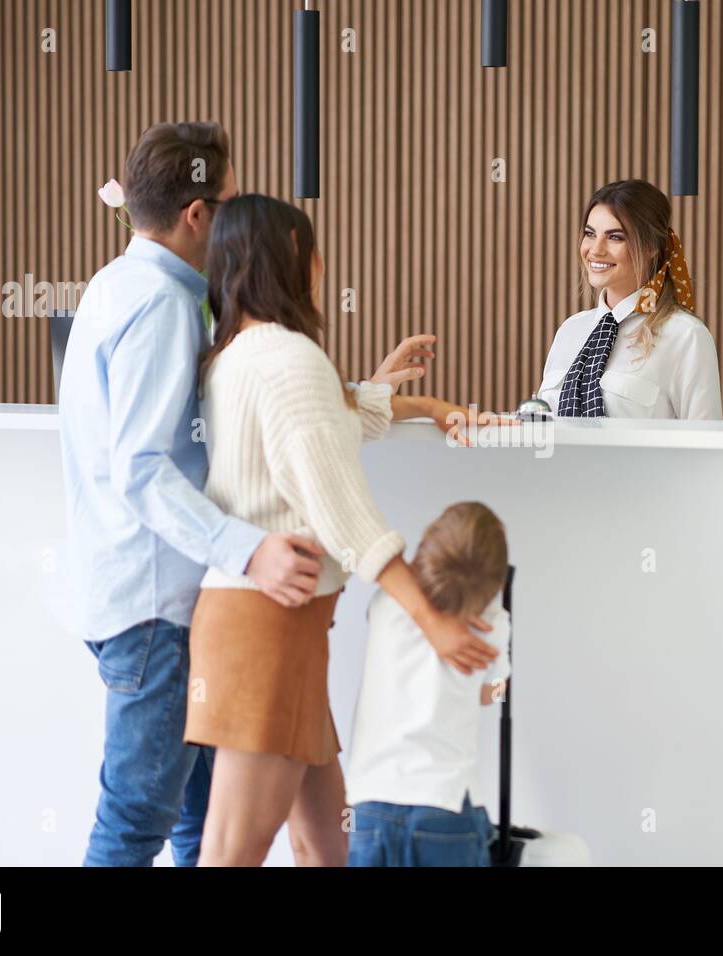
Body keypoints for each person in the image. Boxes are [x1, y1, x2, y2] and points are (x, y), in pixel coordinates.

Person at [58, 122, 437, 867]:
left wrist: (372, 395)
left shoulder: (124, 287)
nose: (235, 218)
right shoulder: (162, 306)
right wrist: (250, 549)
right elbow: (143, 468)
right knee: (141, 820)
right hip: (158, 606)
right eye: (227, 203)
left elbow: (257, 410)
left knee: (201, 828)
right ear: (197, 216)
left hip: (151, 599)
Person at [185, 194, 499, 867]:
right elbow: (343, 509)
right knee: (232, 854)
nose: (323, 265)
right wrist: (431, 619)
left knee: (327, 846)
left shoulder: (240, 356)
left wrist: (420, 402)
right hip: (268, 628)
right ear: (292, 258)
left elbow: (333, 422)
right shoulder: (289, 359)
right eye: (312, 249)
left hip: (274, 624)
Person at [344, 502, 511, 867]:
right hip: (446, 805)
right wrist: (500, 684)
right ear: (496, 583)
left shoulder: (386, 602)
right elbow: (489, 695)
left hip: (371, 804)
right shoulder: (492, 623)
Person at [537, 179, 723, 419]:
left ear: (651, 247)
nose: (596, 249)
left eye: (615, 237)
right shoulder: (570, 331)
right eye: (590, 234)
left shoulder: (686, 336)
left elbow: (705, 446)